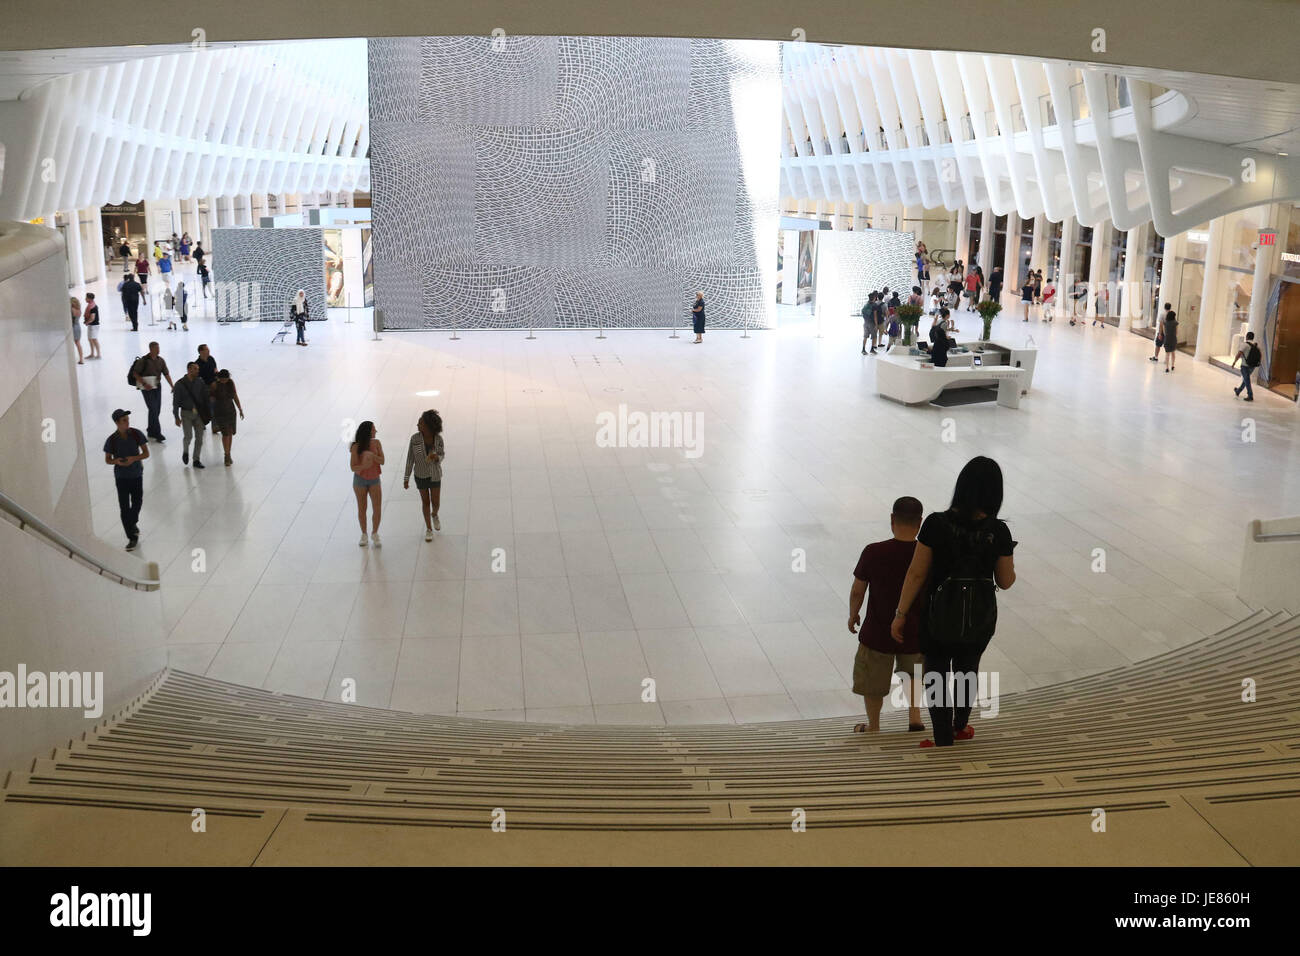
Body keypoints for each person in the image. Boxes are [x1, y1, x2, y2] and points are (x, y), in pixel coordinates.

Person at [893, 456, 1017, 748]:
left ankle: (942, 738)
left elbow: (916, 574)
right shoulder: (998, 531)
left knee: (936, 672)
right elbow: (1006, 581)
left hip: (938, 615)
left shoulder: (936, 524)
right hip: (978, 617)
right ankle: (960, 726)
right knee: (967, 668)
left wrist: (900, 613)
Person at [848, 496, 928, 734]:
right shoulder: (925, 554)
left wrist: (853, 614)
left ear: (892, 520)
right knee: (913, 673)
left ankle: (874, 727)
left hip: (877, 630)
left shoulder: (874, 551)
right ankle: (915, 719)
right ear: (920, 523)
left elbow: (857, 590)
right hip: (914, 629)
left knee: (873, 682)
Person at [104, 409, 149, 551]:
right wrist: (117, 461)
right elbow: (108, 460)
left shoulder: (136, 434)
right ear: (117, 423)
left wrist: (133, 459)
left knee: (137, 501)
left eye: (127, 419)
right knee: (124, 507)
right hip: (121, 477)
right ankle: (131, 537)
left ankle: (132, 522)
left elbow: (146, 453)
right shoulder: (111, 440)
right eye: (124, 420)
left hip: (136, 474)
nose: (127, 422)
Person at [404, 409, 445, 540]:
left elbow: (442, 454)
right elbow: (410, 458)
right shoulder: (414, 439)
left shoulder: (438, 439)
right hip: (420, 475)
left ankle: (434, 514)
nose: (417, 425)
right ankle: (428, 528)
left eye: (420, 423)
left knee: (436, 502)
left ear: (428, 426)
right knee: (425, 502)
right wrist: (406, 477)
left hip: (435, 474)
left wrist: (436, 457)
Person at [130, 341, 174, 442]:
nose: (158, 350)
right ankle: (157, 433)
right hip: (147, 388)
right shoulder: (143, 360)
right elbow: (135, 374)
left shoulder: (161, 360)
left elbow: (166, 374)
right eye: (156, 348)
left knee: (156, 409)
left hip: (157, 387)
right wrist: (145, 384)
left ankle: (150, 429)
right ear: (151, 349)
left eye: (159, 348)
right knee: (153, 408)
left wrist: (172, 385)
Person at [350, 421, 385, 546]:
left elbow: (382, 461)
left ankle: (375, 533)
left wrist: (373, 456)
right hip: (360, 480)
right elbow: (353, 467)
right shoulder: (356, 446)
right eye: (374, 429)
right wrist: (364, 466)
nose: (376, 431)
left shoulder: (377, 443)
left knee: (377, 507)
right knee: (362, 507)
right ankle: (364, 534)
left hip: (374, 479)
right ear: (368, 432)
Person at [172, 361, 209, 468]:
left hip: (198, 413)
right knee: (188, 436)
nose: (198, 371)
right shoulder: (179, 384)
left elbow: (205, 396)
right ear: (189, 370)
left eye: (198, 369)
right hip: (186, 413)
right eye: (195, 369)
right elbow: (175, 402)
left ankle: (196, 459)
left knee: (199, 438)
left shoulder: (200, 382)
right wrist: (176, 417)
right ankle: (185, 452)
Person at [210, 369, 244, 466]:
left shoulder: (230, 383)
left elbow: (234, 396)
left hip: (230, 411)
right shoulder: (214, 385)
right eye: (222, 379)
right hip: (220, 412)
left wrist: (240, 408)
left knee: (230, 432)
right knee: (225, 434)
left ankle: (228, 453)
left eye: (226, 379)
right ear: (219, 378)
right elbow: (211, 400)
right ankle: (226, 455)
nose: (224, 381)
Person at [1232, 331, 1261, 401]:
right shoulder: (1256, 345)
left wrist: (1234, 362)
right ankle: (1238, 391)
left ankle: (1250, 395)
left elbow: (1239, 354)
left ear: (1247, 336)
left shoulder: (1244, 345)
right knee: (1246, 379)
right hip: (1253, 366)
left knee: (1246, 380)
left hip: (1245, 365)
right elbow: (1260, 355)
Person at [82, 293, 101, 359]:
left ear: (89, 299)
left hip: (94, 325)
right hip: (91, 325)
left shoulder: (93, 307)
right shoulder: (91, 305)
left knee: (94, 339)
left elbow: (92, 318)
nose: (85, 299)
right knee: (90, 339)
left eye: (86, 298)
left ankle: (98, 355)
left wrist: (87, 322)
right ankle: (92, 354)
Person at [1162, 307, 1179, 373]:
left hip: (1167, 339)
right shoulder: (1176, 323)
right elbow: (1177, 332)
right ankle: (1172, 365)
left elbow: (1164, 332)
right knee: (1173, 353)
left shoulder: (1165, 323)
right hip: (1173, 339)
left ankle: (1167, 367)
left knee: (1167, 354)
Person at [70, 296, 84, 364]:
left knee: (72, 343)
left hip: (73, 327)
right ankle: (81, 358)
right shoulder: (79, 310)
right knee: (78, 343)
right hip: (78, 327)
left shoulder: (72, 310)